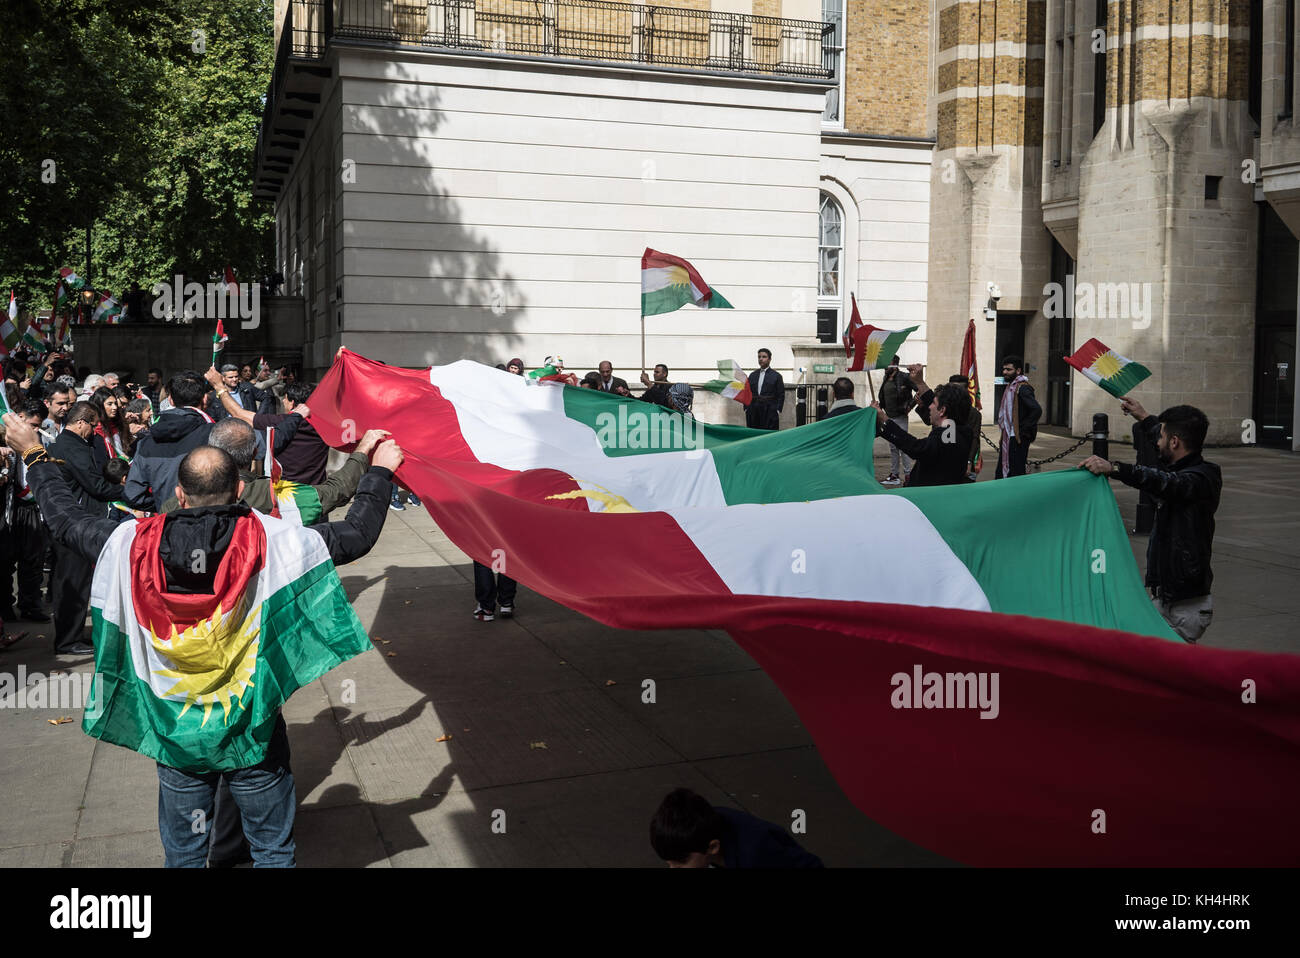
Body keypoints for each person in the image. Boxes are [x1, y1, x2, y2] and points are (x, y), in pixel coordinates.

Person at [4, 414, 402, 868]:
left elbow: (66, 519)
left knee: (186, 854)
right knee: (272, 852)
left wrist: (34, 453)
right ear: (238, 490)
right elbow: (357, 534)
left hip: (177, 737)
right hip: (252, 732)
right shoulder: (277, 542)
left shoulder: (133, 543)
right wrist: (379, 471)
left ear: (179, 493)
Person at [1078, 400, 1220, 643]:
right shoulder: (1183, 463)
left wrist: (1114, 468)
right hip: (1166, 598)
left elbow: (1165, 482)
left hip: (1185, 607)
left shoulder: (1200, 478)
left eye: (1162, 436)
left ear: (1174, 442)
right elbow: (1164, 446)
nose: (1156, 441)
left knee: (1169, 672)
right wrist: (1143, 416)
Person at [158, 418, 386, 520]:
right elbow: (333, 493)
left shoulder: (169, 510)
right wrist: (363, 450)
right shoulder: (270, 494)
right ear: (256, 453)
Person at [48, 403, 126, 654]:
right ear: (81, 422)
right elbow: (96, 487)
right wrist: (130, 491)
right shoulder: (73, 448)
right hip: (75, 521)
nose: (94, 431)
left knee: (72, 580)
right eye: (93, 425)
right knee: (73, 581)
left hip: (69, 519)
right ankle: (68, 640)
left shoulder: (69, 444)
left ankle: (70, 635)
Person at [206, 368, 327, 484]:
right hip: (317, 492)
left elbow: (239, 414)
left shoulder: (280, 421)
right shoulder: (325, 424)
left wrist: (219, 386)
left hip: (287, 494)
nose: (283, 402)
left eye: (285, 399)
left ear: (292, 403)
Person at [649, 788, 822, 868]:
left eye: (680, 864)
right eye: (669, 864)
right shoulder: (700, 825)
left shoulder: (755, 854)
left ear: (713, 847)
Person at [125, 371, 215, 512]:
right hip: (207, 520)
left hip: (167, 521)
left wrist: (164, 505)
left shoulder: (146, 442)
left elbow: (133, 495)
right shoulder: (213, 435)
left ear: (171, 400)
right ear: (205, 399)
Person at [0, 400, 52, 622]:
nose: (34, 430)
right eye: (32, 425)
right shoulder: (4, 442)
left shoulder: (41, 442)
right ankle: (4, 607)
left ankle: (30, 604)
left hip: (33, 507)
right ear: (19, 418)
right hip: (9, 509)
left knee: (33, 559)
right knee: (5, 561)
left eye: (38, 426)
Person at [870, 375, 973, 488]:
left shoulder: (947, 438)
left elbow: (915, 447)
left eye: (933, 404)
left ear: (942, 411)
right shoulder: (962, 430)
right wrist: (919, 382)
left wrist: (884, 419)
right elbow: (938, 403)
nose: (929, 407)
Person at [995, 356, 1041, 478]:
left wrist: (1022, 429)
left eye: (1009, 369)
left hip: (1017, 437)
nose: (1005, 372)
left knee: (1016, 471)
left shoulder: (1023, 388)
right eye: (1004, 369)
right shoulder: (1010, 387)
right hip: (1008, 435)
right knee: (1004, 469)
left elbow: (1036, 410)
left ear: (1018, 371)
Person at [878, 358, 915, 484]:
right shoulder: (886, 378)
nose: (884, 367)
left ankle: (908, 474)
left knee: (903, 445)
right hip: (889, 416)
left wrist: (910, 406)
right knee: (893, 447)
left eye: (887, 364)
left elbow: (919, 390)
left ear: (894, 365)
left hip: (901, 416)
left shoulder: (904, 377)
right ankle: (895, 475)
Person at [207, 363, 274, 421]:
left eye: (236, 376)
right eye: (231, 377)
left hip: (249, 426)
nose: (234, 379)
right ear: (223, 378)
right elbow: (212, 418)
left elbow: (266, 397)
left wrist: (258, 416)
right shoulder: (214, 396)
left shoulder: (247, 388)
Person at [745, 348, 784, 430]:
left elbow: (781, 394)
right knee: (753, 433)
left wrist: (777, 410)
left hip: (769, 410)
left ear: (769, 359)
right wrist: (746, 408)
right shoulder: (752, 375)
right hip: (753, 410)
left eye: (764, 357)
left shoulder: (776, 376)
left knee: (768, 434)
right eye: (759, 357)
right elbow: (747, 392)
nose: (761, 359)